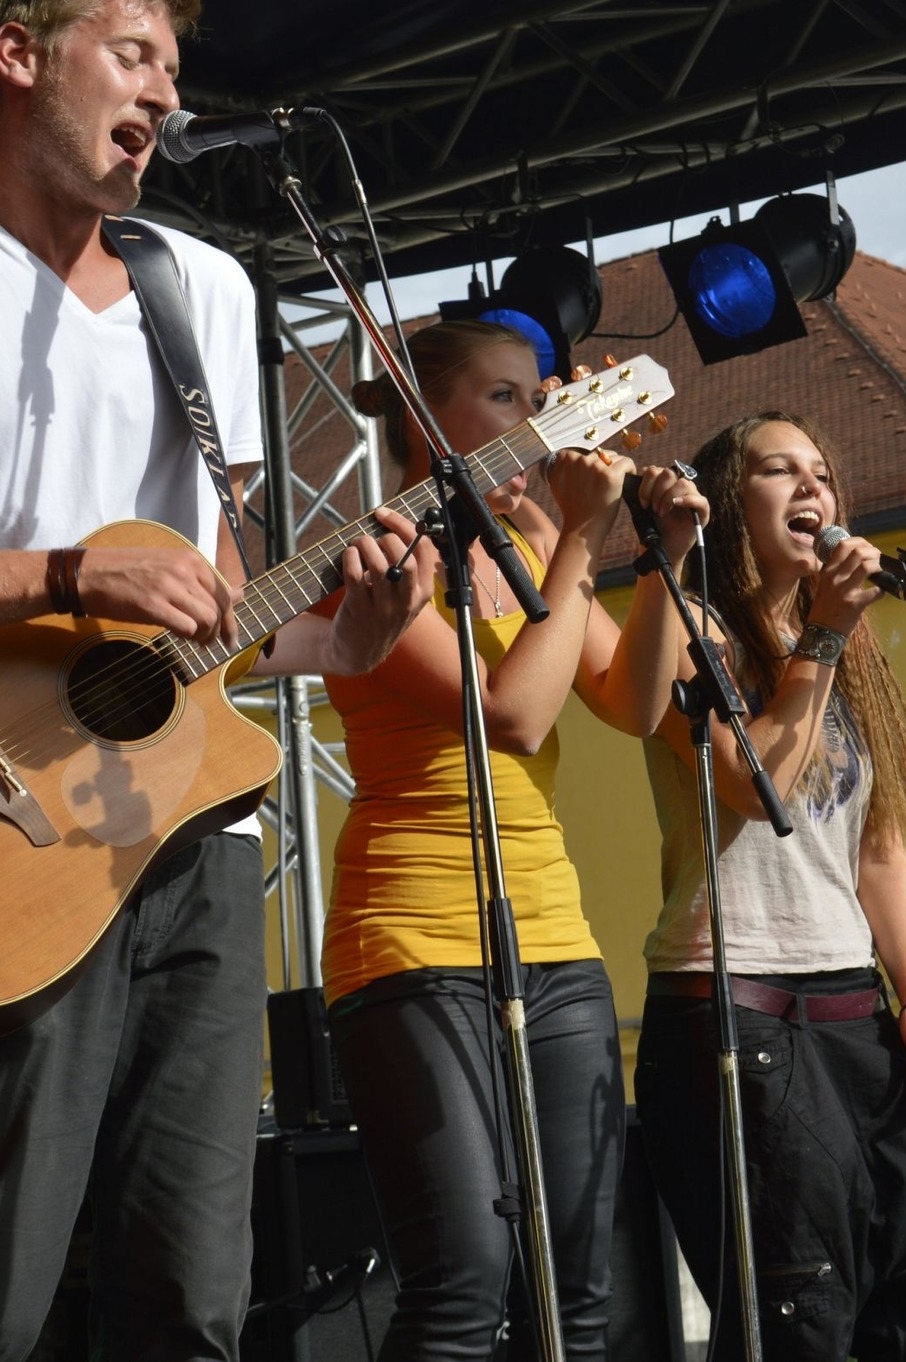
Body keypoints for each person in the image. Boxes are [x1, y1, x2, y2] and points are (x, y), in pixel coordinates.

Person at [0, 1, 433, 1357]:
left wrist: (342, 640)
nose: (166, 91)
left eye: (175, 66)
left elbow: (205, 623)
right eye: (131, 53)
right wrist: (62, 573)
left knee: (195, 1304)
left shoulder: (206, 291)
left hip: (191, 848)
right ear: (18, 54)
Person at [320, 319, 707, 1361]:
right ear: (422, 415)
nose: (531, 421)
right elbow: (513, 714)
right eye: (503, 399)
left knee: (579, 1289)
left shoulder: (532, 542)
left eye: (538, 398)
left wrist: (658, 552)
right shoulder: (372, 558)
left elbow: (630, 705)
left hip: (552, 932)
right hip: (409, 938)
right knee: (461, 1284)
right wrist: (582, 537)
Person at [632, 412, 906, 1361]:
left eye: (822, 472)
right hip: (741, 1011)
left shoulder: (850, 649)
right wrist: (828, 637)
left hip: (858, 1011)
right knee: (802, 1315)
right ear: (729, 504)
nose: (813, 489)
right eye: (779, 471)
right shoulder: (698, 629)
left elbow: (879, 845)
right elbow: (754, 786)